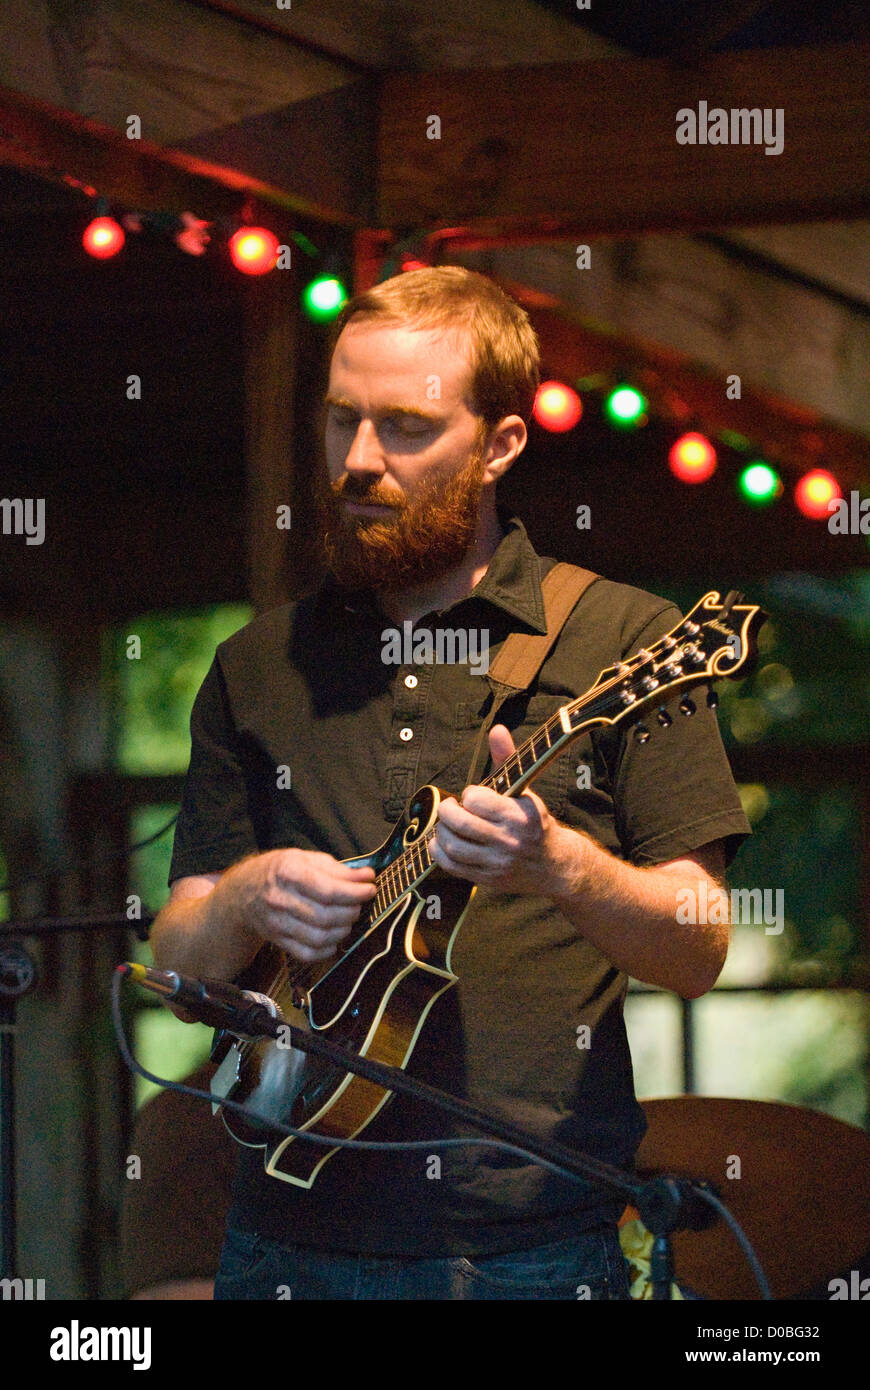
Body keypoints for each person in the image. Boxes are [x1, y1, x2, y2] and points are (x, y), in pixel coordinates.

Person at [150, 265, 751, 1300]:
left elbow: (697, 942)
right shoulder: (256, 667)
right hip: (279, 1234)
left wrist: (564, 866)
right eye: (342, 422)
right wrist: (246, 895)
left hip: (527, 1250)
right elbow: (177, 954)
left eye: (407, 427)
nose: (361, 461)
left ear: (501, 443)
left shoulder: (626, 640)